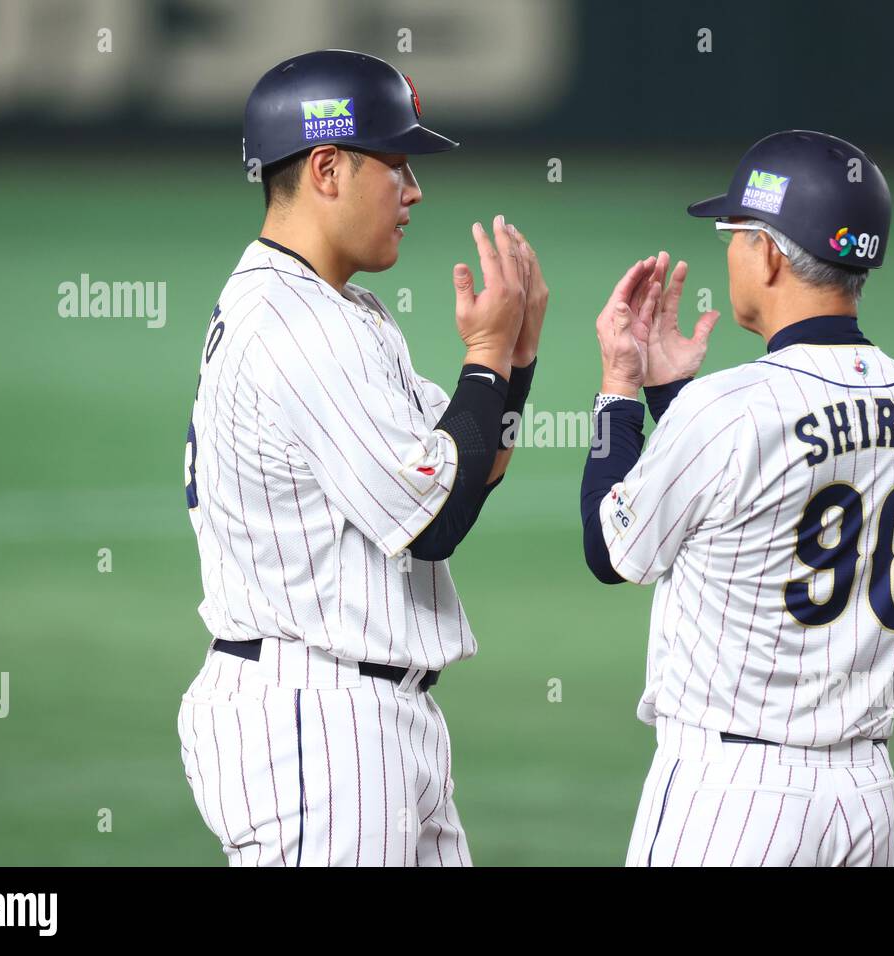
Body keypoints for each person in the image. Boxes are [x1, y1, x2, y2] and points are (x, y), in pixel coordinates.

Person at [177, 49, 547, 866]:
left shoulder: (331, 310)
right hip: (316, 720)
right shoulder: (298, 325)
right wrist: (486, 360)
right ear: (327, 167)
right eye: (398, 163)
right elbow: (435, 522)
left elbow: (467, 464)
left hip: (358, 715)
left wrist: (511, 367)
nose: (415, 192)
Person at [581, 130, 894, 866]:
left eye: (735, 234)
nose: (729, 251)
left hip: (736, 796)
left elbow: (612, 551)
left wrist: (622, 388)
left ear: (771, 253)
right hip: (865, 796)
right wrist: (673, 395)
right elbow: (765, 490)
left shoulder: (729, 408)